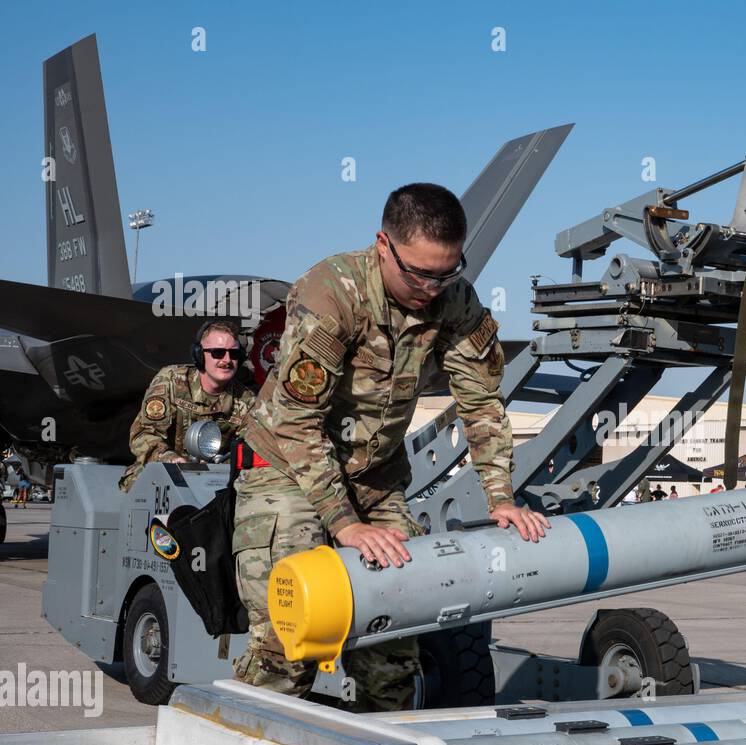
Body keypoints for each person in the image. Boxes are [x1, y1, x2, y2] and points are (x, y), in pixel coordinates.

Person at [232, 182, 549, 711]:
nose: (433, 287)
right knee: (291, 640)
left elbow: (482, 402)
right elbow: (296, 419)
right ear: (384, 244)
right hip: (287, 470)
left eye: (448, 271)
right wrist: (342, 522)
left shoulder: (454, 298)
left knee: (393, 641)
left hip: (374, 482)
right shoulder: (331, 291)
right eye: (420, 272)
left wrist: (500, 497)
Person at [118, 320, 254, 492]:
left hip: (211, 482)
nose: (227, 360)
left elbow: (247, 449)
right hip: (161, 473)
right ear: (199, 354)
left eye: (234, 354)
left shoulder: (246, 401)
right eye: (218, 353)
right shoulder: (172, 381)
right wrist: (170, 458)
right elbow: (143, 434)